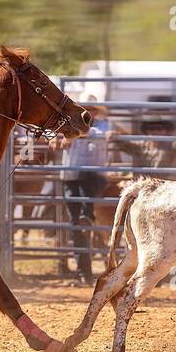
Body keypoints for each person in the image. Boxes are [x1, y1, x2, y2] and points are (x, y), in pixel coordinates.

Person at [52, 107, 108, 285]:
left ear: (95, 114)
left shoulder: (101, 126)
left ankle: (87, 215)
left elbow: (101, 133)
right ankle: (84, 273)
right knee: (76, 226)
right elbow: (53, 134)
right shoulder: (67, 127)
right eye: (82, 108)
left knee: (84, 178)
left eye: (89, 110)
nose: (85, 112)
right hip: (71, 178)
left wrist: (70, 134)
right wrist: (57, 136)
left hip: (93, 177)